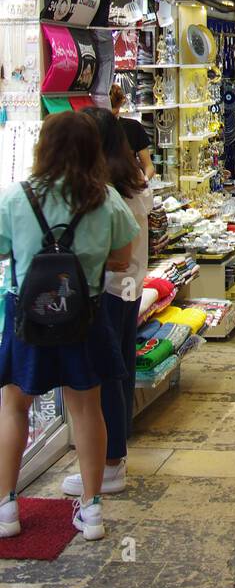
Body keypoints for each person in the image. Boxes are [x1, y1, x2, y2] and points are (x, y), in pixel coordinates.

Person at [0, 112, 138, 541]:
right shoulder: (106, 199)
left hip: (27, 314)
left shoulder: (16, 198)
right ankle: (92, 511)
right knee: (85, 409)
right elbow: (122, 259)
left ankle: (6, 506)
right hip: (87, 315)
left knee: (12, 406)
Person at [62, 109, 153, 500]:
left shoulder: (110, 193)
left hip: (112, 290)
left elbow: (111, 254)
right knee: (119, 369)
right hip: (128, 287)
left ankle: (111, 461)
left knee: (107, 376)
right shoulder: (132, 185)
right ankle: (115, 454)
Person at [110, 83, 155, 181]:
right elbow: (149, 166)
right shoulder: (95, 127)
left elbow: (149, 167)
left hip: (130, 187)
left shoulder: (133, 127)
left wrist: (143, 183)